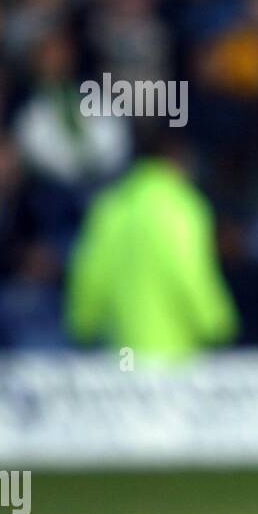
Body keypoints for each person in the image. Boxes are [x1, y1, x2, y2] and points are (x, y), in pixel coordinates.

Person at [65, 124, 238, 360]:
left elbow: (91, 276)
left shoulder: (110, 206)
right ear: (177, 157)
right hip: (177, 360)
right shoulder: (184, 206)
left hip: (119, 360)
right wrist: (217, 324)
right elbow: (189, 274)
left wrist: (82, 325)